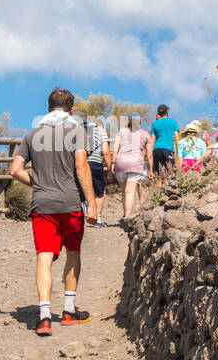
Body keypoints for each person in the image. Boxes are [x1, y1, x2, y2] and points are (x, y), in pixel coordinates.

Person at [9, 88, 97, 337]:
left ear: (48, 109)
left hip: (42, 204)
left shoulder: (33, 135)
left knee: (44, 257)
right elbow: (81, 168)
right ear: (71, 110)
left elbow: (15, 170)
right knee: (73, 253)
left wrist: (36, 183)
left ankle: (45, 316)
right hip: (70, 202)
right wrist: (91, 203)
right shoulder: (76, 132)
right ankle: (68, 311)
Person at [112, 113, 153, 220]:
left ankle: (125, 214)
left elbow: (115, 148)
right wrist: (151, 169)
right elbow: (149, 154)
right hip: (135, 163)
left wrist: (113, 163)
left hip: (120, 162)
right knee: (130, 190)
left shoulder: (121, 132)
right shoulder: (145, 134)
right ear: (139, 122)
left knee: (124, 190)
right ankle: (128, 217)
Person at [81, 111, 111, 226]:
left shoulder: (79, 130)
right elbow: (106, 152)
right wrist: (109, 169)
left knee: (81, 190)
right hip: (95, 164)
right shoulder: (101, 131)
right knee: (99, 192)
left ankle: (83, 216)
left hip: (81, 163)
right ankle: (97, 219)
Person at [150, 104, 178, 177]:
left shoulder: (154, 124)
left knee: (157, 175)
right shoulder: (173, 122)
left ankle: (158, 187)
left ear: (159, 113)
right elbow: (177, 139)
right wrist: (177, 155)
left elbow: (152, 141)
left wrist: (150, 155)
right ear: (167, 112)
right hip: (168, 149)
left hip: (156, 150)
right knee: (170, 174)